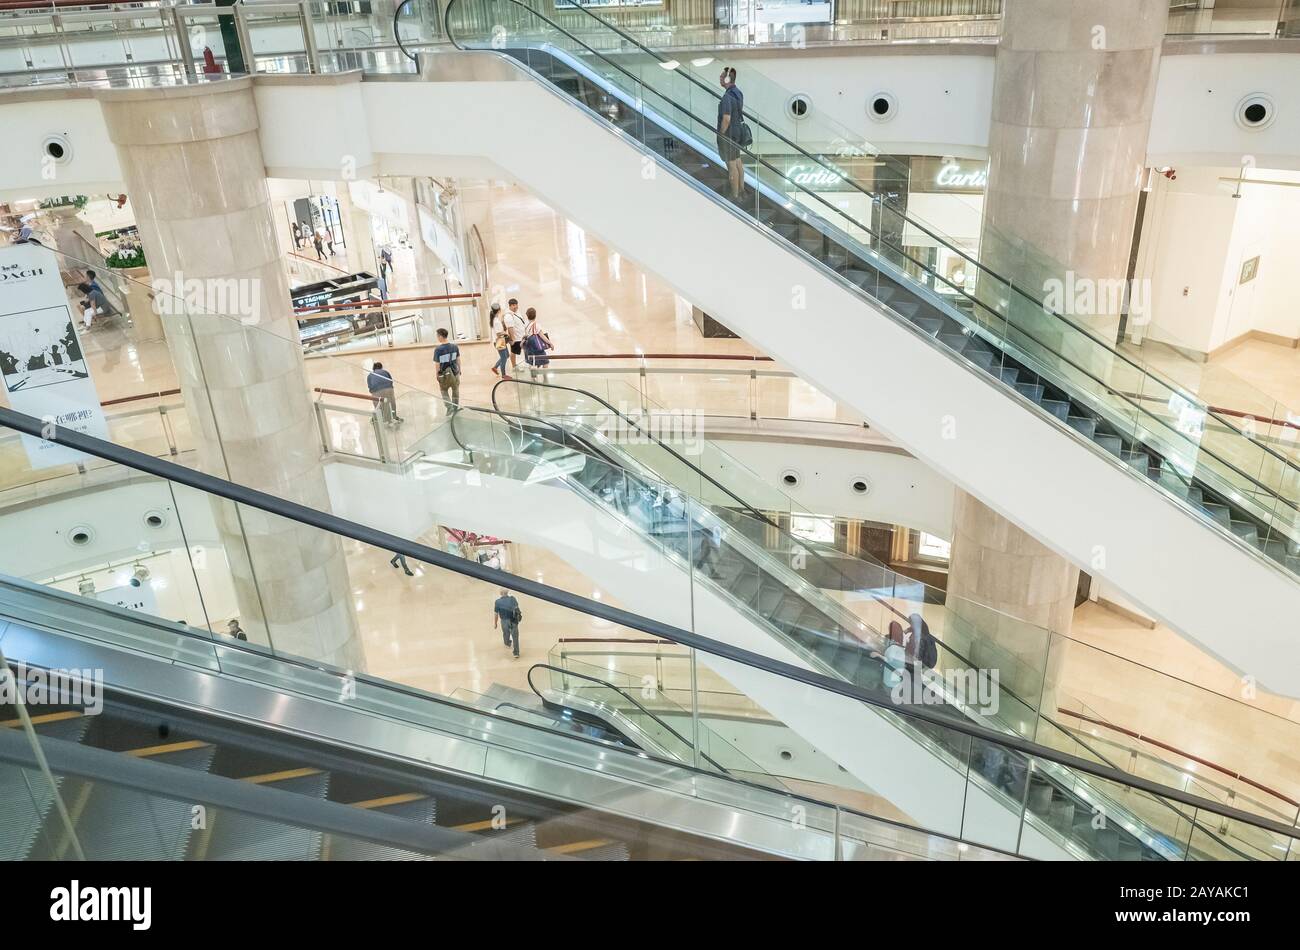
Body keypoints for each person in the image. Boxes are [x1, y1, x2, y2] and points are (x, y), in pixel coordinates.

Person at [716, 66, 746, 201]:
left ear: (727, 79)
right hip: (738, 131)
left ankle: (735, 196)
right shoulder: (738, 92)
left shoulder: (727, 97)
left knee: (731, 165)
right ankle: (742, 190)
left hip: (729, 134)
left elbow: (726, 118)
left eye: (722, 76)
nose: (720, 78)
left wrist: (721, 134)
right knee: (738, 161)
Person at [433, 327, 461, 412]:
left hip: (444, 374)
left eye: (437, 336)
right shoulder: (454, 346)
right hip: (455, 372)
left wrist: (437, 374)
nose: (437, 337)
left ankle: (449, 407)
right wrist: (459, 370)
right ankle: (455, 407)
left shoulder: (438, 349)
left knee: (443, 390)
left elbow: (437, 364)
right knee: (455, 389)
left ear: (441, 336)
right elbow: (458, 359)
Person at [367, 360, 401, 426]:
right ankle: (394, 417)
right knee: (391, 403)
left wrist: (373, 392)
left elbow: (370, 386)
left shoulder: (370, 375)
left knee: (378, 405)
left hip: (376, 390)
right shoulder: (385, 372)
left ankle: (379, 419)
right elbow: (391, 381)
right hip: (388, 388)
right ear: (381, 367)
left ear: (373, 369)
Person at [493, 588, 522, 658]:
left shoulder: (497, 602)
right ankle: (516, 653)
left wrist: (495, 623)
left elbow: (496, 614)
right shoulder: (513, 599)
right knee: (515, 637)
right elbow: (517, 609)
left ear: (500, 593)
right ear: (507, 592)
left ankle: (507, 642)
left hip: (504, 621)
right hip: (513, 620)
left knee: (506, 633)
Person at [489, 303, 511, 379]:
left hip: (500, 341)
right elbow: (498, 333)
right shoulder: (496, 321)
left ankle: (495, 367)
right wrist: (506, 333)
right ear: (499, 310)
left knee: (506, 355)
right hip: (499, 341)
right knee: (504, 358)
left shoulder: (495, 319)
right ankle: (504, 375)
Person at [504, 298, 527, 370]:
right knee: (513, 352)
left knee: (526, 350)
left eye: (516, 305)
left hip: (522, 336)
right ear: (510, 306)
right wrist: (513, 339)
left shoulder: (517, 312)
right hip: (516, 338)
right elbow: (510, 328)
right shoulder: (508, 315)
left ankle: (528, 363)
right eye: (513, 305)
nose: (515, 306)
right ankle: (514, 366)